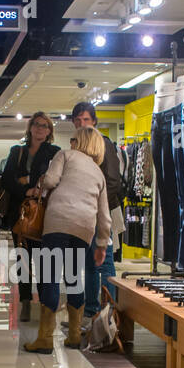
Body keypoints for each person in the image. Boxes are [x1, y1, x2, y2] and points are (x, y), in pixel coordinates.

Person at [23, 126, 111, 353]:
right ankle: (73, 336)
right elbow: (104, 216)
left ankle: (44, 339)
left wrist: (43, 183)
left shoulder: (66, 155)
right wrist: (101, 244)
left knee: (50, 276)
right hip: (83, 230)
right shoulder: (98, 173)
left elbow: (51, 181)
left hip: (58, 223)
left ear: (78, 141)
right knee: (73, 278)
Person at [0, 112, 60, 322]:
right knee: (22, 258)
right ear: (30, 127)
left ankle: (44, 302)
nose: (40, 129)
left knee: (44, 260)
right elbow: (6, 180)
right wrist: (26, 189)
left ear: (50, 130)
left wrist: (28, 179)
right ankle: (25, 301)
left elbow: (53, 179)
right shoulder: (17, 151)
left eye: (45, 126)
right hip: (21, 213)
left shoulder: (54, 152)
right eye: (37, 124)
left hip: (45, 213)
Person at [69, 102, 123, 326]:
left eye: (86, 120)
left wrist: (98, 208)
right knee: (90, 263)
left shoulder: (103, 144)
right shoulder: (78, 147)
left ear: (94, 121)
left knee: (105, 261)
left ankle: (109, 312)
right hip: (83, 214)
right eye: (78, 120)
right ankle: (91, 312)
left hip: (101, 214)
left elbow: (113, 182)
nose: (82, 124)